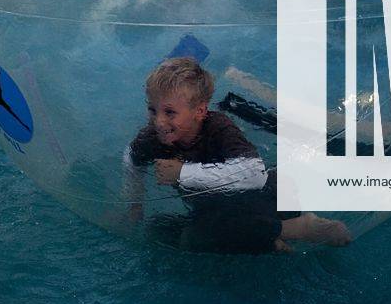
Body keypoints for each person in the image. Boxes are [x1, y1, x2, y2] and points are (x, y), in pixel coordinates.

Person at [123, 57, 351, 253]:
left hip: (267, 196)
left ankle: (299, 228)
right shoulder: (154, 136)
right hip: (220, 209)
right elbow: (131, 158)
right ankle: (265, 239)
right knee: (159, 230)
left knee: (202, 236)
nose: (158, 121)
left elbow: (254, 175)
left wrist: (183, 173)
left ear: (199, 112)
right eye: (153, 110)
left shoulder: (217, 127)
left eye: (169, 112)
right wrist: (136, 206)